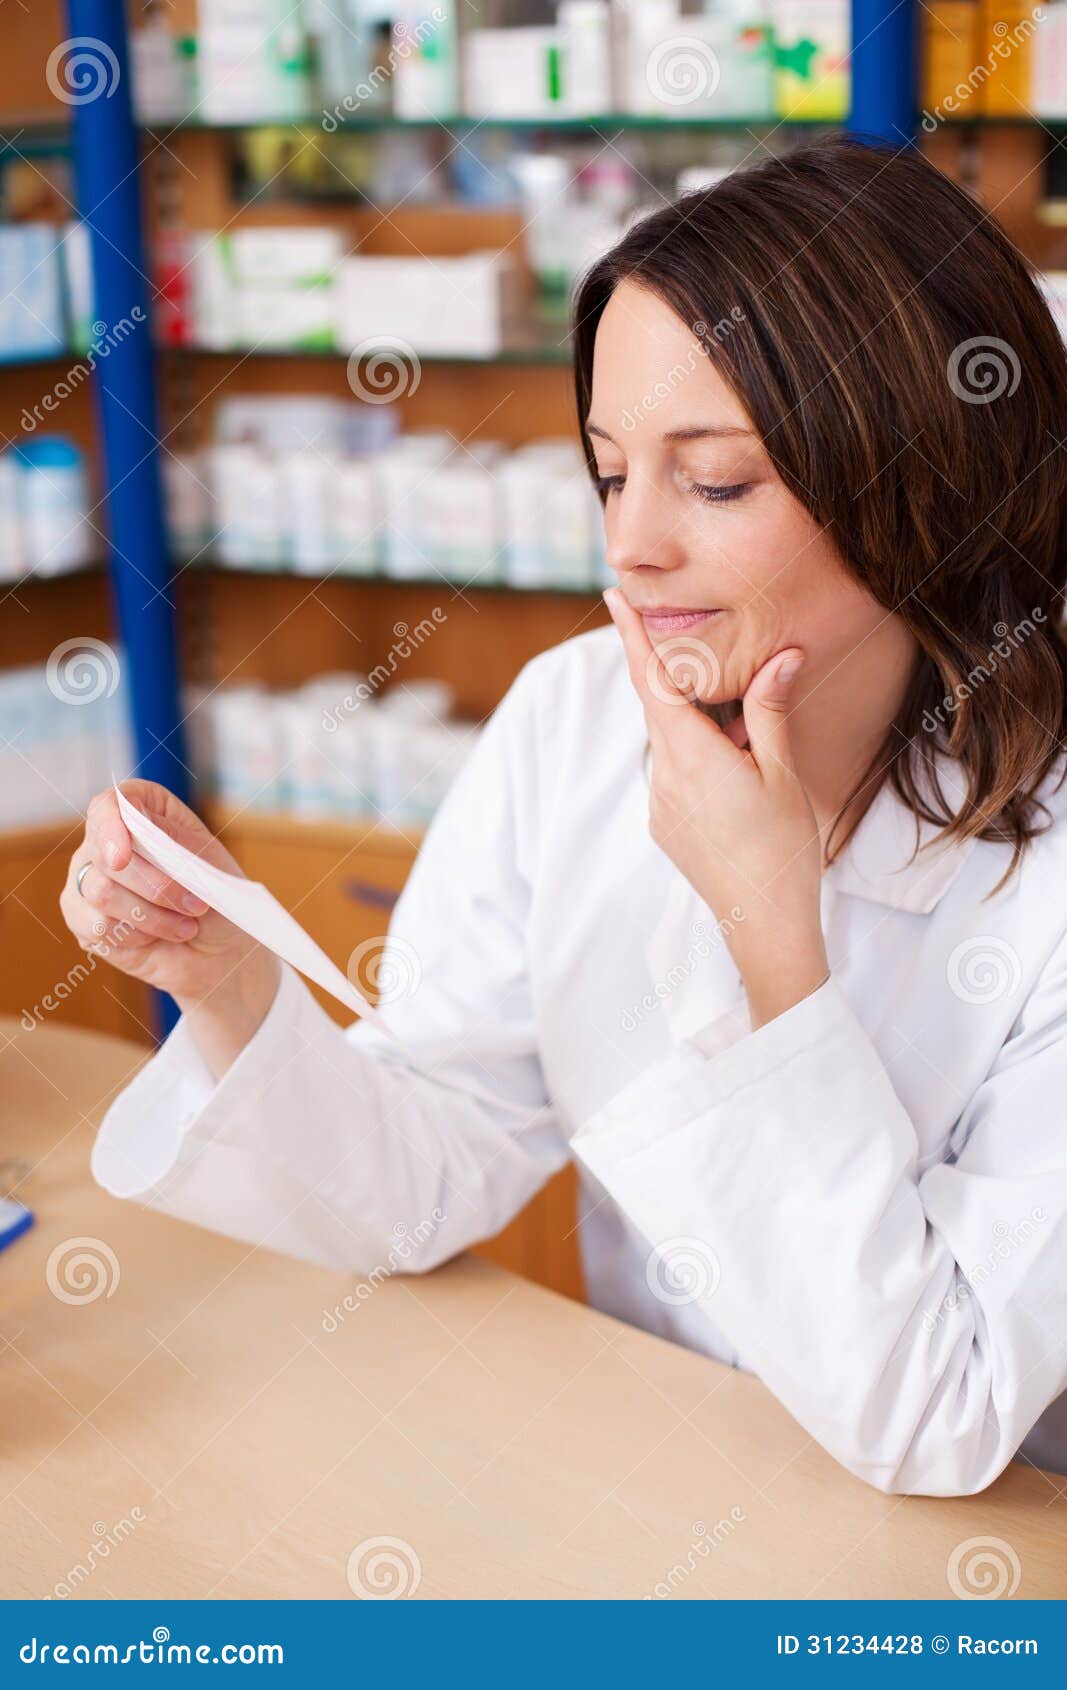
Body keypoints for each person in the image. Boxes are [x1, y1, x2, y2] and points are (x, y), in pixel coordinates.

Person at [61, 139, 1067, 1496]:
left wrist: (773, 940)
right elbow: (424, 1170)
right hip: (664, 1481)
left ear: (924, 477)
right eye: (608, 472)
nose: (634, 544)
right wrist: (229, 977)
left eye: (714, 481)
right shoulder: (576, 717)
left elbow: (937, 1412)